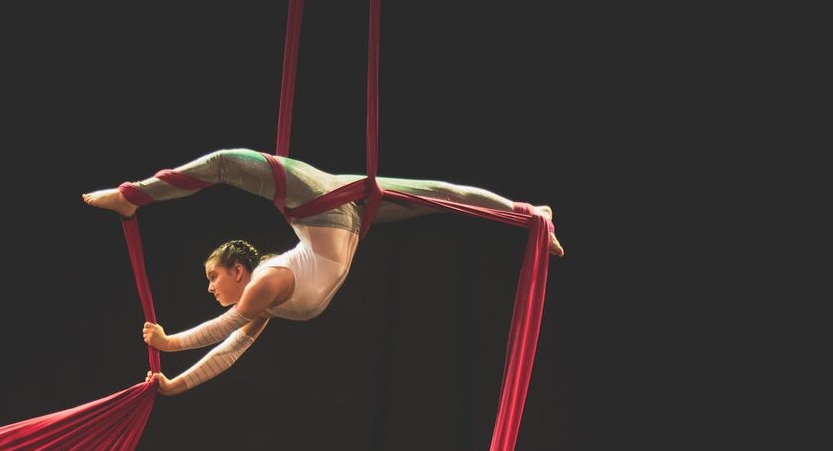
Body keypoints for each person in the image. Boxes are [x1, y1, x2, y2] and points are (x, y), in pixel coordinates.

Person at [82, 148, 563, 396]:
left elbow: (224, 331)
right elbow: (229, 352)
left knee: (227, 164)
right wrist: (174, 382)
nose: (210, 287)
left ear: (238, 269)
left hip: (320, 204)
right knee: (443, 197)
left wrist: (167, 344)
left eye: (213, 277)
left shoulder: (263, 283)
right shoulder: (267, 294)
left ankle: (133, 195)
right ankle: (531, 213)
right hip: (351, 212)